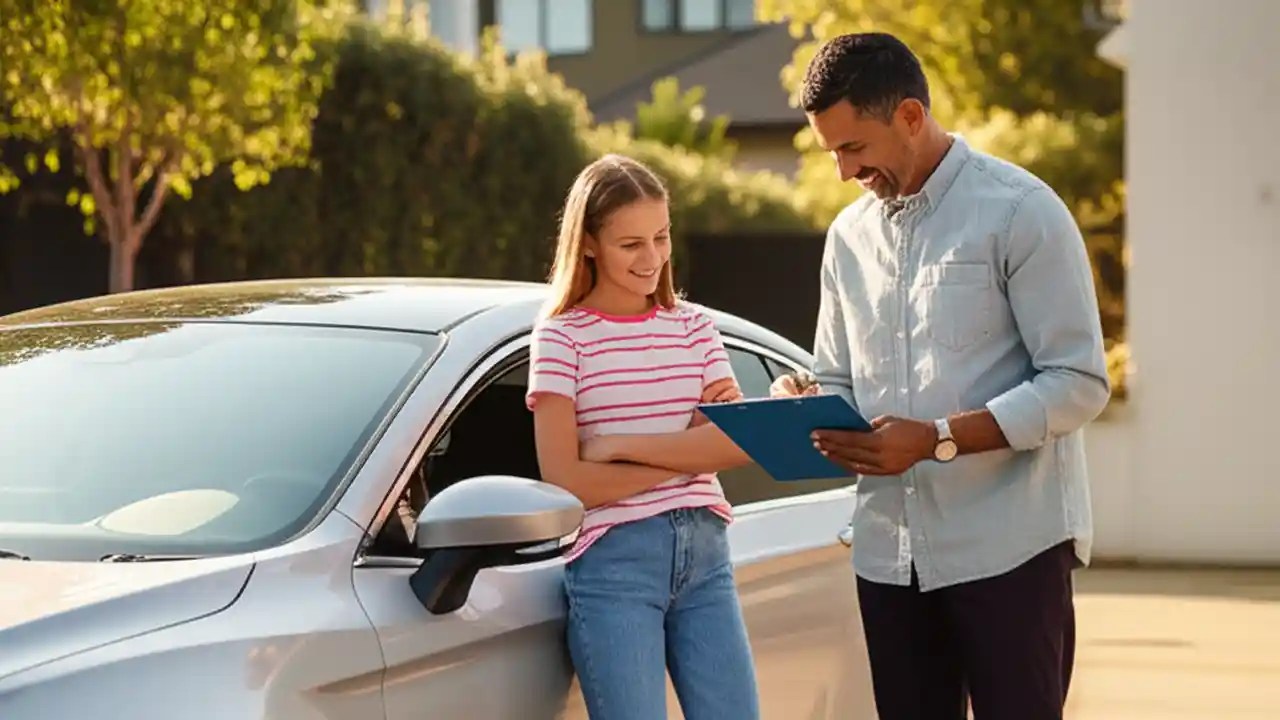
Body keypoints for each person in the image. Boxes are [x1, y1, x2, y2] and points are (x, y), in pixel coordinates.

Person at [589, 31, 1112, 720]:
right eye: (831, 150)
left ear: (911, 117)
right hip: (888, 561)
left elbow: (1077, 381)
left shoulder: (1020, 212)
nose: (841, 171)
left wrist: (935, 440)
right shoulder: (848, 240)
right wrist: (801, 402)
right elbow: (839, 380)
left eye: (853, 149)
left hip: (1008, 553)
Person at [526, 153, 760, 720]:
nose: (652, 258)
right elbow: (567, 482)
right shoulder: (560, 340)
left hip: (707, 559)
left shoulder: (696, 326)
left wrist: (618, 447)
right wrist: (688, 456)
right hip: (614, 569)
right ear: (588, 244)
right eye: (631, 244)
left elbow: (735, 445)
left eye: (661, 237)